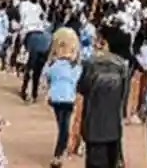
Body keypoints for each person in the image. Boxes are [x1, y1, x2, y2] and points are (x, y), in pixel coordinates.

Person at [78, 27, 130, 168]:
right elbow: (124, 96)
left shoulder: (91, 63)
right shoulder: (122, 66)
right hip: (113, 127)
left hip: (93, 125)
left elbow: (82, 88)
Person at [44, 36, 84, 167]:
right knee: (64, 128)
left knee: (62, 125)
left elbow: (47, 76)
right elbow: (79, 80)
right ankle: (58, 154)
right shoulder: (75, 67)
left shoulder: (54, 65)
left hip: (55, 98)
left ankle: (60, 151)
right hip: (68, 98)